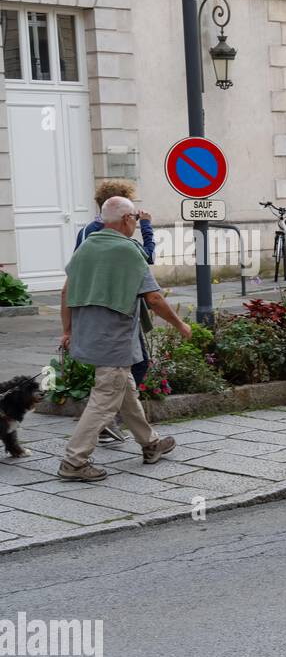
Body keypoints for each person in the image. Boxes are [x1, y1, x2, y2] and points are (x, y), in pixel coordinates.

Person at [58, 197, 190, 482]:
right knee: (105, 400)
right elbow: (153, 298)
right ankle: (74, 461)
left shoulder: (86, 247)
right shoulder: (128, 251)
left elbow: (65, 293)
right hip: (114, 340)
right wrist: (180, 324)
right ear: (128, 220)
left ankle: (150, 443)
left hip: (90, 336)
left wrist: (67, 330)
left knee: (125, 389)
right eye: (134, 218)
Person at [76, 180, 155, 446]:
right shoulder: (112, 234)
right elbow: (146, 258)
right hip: (115, 312)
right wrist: (146, 227)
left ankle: (148, 441)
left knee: (124, 376)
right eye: (131, 212)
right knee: (136, 365)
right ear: (123, 212)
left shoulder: (86, 231)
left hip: (95, 309)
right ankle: (99, 427)